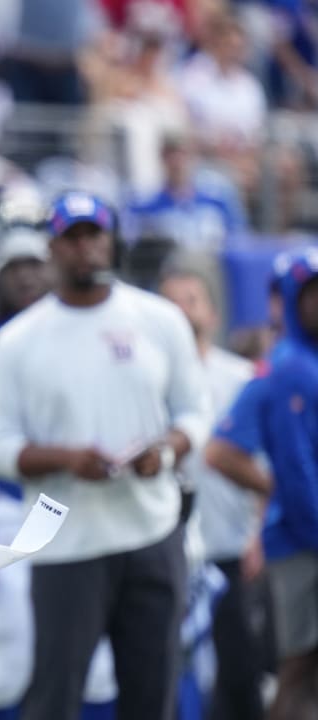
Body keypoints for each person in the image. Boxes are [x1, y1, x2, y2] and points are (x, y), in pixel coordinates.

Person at [0, 191, 212, 720]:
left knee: (153, 698)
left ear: (111, 242)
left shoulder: (159, 319)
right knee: (54, 698)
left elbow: (195, 413)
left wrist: (164, 451)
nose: (84, 250)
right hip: (65, 546)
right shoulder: (18, 340)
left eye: (93, 236)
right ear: (52, 248)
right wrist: (66, 458)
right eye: (71, 239)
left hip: (151, 533)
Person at [205, 247, 318, 720]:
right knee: (298, 666)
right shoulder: (284, 366)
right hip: (299, 543)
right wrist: (277, 491)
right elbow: (221, 451)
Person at [157, 267, 263, 720]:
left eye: (192, 299)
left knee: (240, 672)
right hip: (169, 545)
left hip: (232, 543)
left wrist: (259, 531)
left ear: (213, 313)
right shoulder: (147, 378)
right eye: (171, 302)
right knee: (172, 674)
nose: (182, 311)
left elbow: (265, 464)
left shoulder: (242, 378)